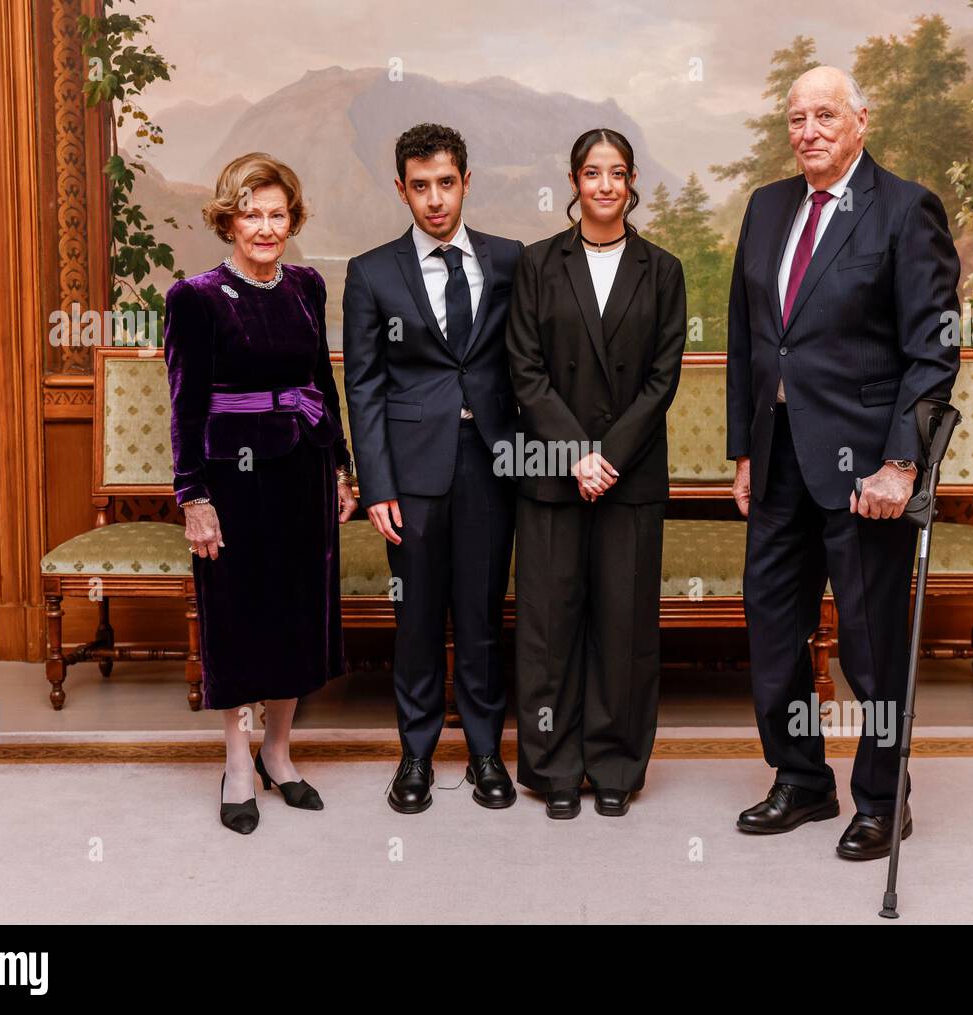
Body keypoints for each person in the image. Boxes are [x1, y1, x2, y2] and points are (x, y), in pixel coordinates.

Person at [726, 67, 961, 858]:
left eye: (825, 114)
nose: (809, 130)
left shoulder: (904, 208)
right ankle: (800, 781)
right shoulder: (766, 208)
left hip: (867, 469)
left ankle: (882, 797)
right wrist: (743, 450)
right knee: (773, 632)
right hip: (778, 460)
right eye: (797, 117)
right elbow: (749, 341)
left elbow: (933, 352)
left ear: (862, 119)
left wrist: (904, 462)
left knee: (870, 644)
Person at [164, 152, 357, 835]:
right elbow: (185, 408)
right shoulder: (195, 299)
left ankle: (279, 751)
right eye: (252, 214)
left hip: (302, 470)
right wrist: (194, 498)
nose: (266, 227)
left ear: (292, 219)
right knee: (240, 616)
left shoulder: (306, 285)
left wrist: (340, 466)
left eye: (277, 214)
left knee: (296, 616)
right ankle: (238, 760)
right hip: (232, 483)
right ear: (229, 219)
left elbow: (321, 383)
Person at [341, 124, 523, 814]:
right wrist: (376, 485)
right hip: (410, 475)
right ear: (402, 190)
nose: (435, 199)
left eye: (446, 183)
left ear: (465, 181)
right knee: (416, 619)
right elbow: (364, 385)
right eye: (420, 186)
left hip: (492, 464)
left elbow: (528, 366)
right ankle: (415, 754)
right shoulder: (373, 271)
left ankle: (484, 753)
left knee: (481, 617)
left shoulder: (510, 261)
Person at [507, 128, 686, 819]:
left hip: (630, 477)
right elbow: (525, 369)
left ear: (632, 179)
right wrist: (576, 453)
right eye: (591, 172)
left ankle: (615, 765)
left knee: (625, 626)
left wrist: (608, 455)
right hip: (553, 474)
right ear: (574, 181)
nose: (605, 185)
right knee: (549, 629)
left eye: (616, 173)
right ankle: (553, 766)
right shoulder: (536, 264)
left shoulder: (662, 268)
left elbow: (663, 375)